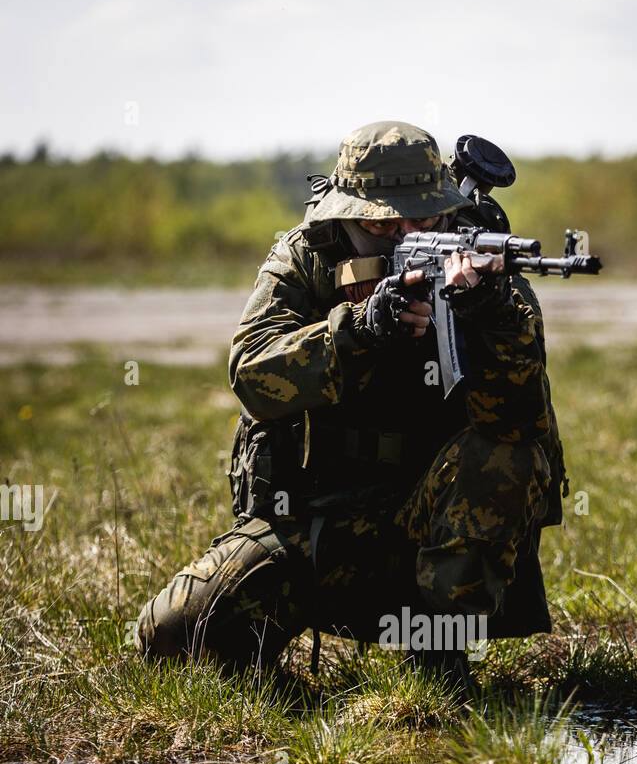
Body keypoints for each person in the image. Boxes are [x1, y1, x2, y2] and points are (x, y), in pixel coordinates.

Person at [136, 120, 567, 688]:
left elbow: (520, 424)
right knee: (168, 637)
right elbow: (252, 377)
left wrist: (490, 316)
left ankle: (439, 662)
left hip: (429, 528)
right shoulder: (305, 258)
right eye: (404, 219)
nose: (427, 227)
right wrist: (358, 332)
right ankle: (274, 688)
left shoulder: (480, 264)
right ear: (362, 216)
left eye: (433, 214)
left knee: (506, 456)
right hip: (312, 526)